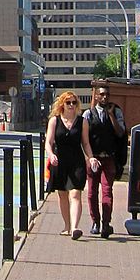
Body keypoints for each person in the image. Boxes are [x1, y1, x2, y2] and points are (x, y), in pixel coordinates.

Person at [45, 91, 93, 238]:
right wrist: (51, 154)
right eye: (68, 102)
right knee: (62, 194)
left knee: (75, 193)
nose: (71, 105)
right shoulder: (54, 121)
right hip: (59, 161)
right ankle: (67, 226)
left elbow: (85, 143)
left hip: (76, 161)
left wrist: (90, 158)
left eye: (74, 102)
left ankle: (74, 228)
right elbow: (48, 142)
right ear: (62, 104)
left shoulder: (82, 122)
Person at [84, 81, 126, 238]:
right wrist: (89, 157)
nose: (104, 97)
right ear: (96, 96)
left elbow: (120, 132)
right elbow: (84, 138)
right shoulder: (88, 114)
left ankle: (106, 223)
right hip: (93, 158)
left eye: (107, 94)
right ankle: (95, 222)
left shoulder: (116, 112)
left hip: (109, 158)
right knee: (92, 192)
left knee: (107, 191)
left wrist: (111, 115)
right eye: (101, 94)